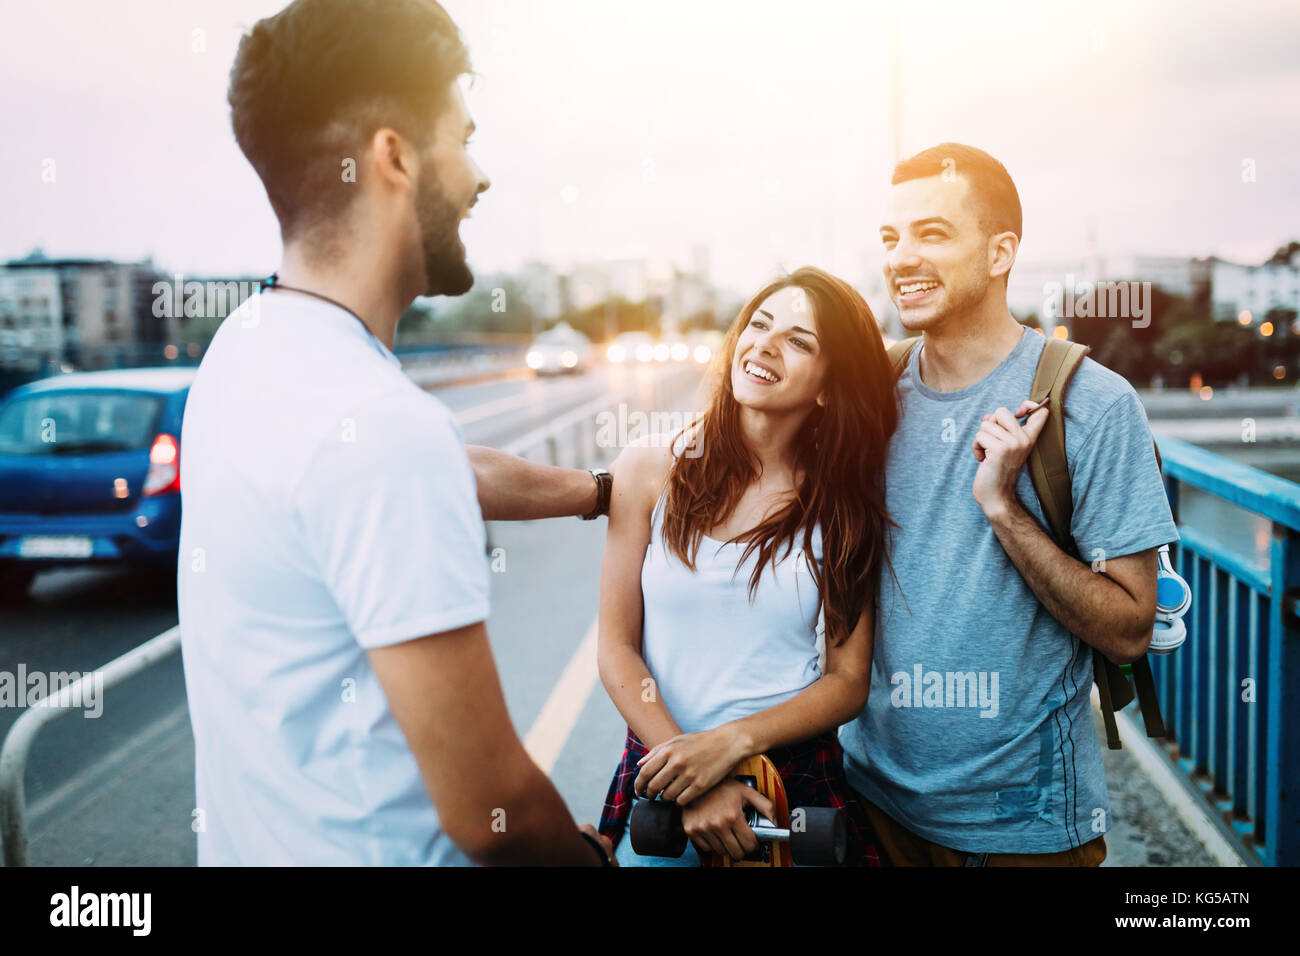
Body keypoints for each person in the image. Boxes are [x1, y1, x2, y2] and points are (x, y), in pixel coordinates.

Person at [179, 0, 613, 866]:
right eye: (464, 135)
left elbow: (422, 469)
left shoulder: (246, 350)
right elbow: (490, 806)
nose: (480, 175)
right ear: (396, 157)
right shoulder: (383, 430)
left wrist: (599, 492)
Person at [840, 143, 1179, 866]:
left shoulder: (1094, 403)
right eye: (891, 239)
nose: (902, 259)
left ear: (1001, 253)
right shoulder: (872, 394)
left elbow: (1127, 630)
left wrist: (1004, 510)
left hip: (1026, 825)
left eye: (932, 234)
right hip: (876, 805)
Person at [593, 267, 897, 866]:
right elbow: (616, 648)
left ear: (828, 388)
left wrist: (730, 745)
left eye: (799, 341)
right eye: (758, 325)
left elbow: (846, 680)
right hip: (664, 783)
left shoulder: (845, 505)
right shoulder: (651, 468)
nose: (764, 344)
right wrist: (692, 771)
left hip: (789, 794)